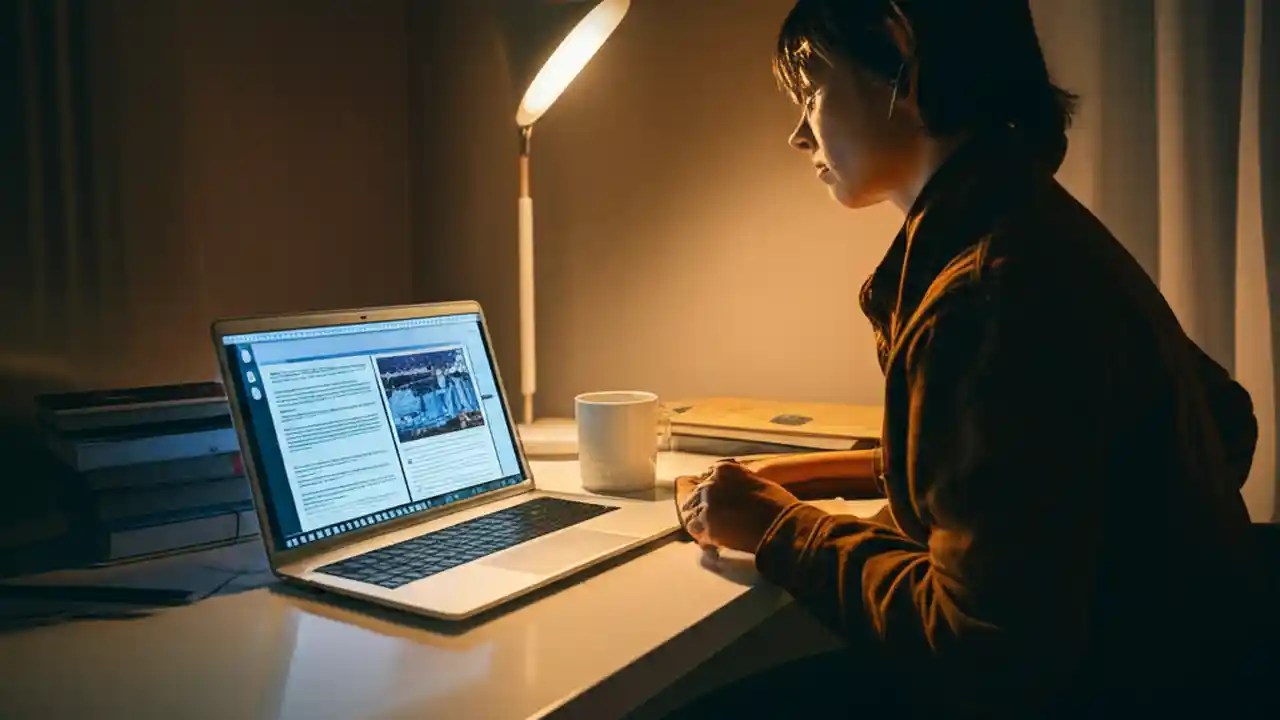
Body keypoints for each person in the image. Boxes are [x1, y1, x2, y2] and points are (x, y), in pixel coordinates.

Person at [671, 0, 1272, 716]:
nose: (799, 134)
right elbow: (1218, 422)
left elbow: (981, 647)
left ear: (900, 52)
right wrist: (811, 474)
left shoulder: (986, 291)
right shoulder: (1033, 219)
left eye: (812, 93)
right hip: (1198, 671)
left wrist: (778, 529)